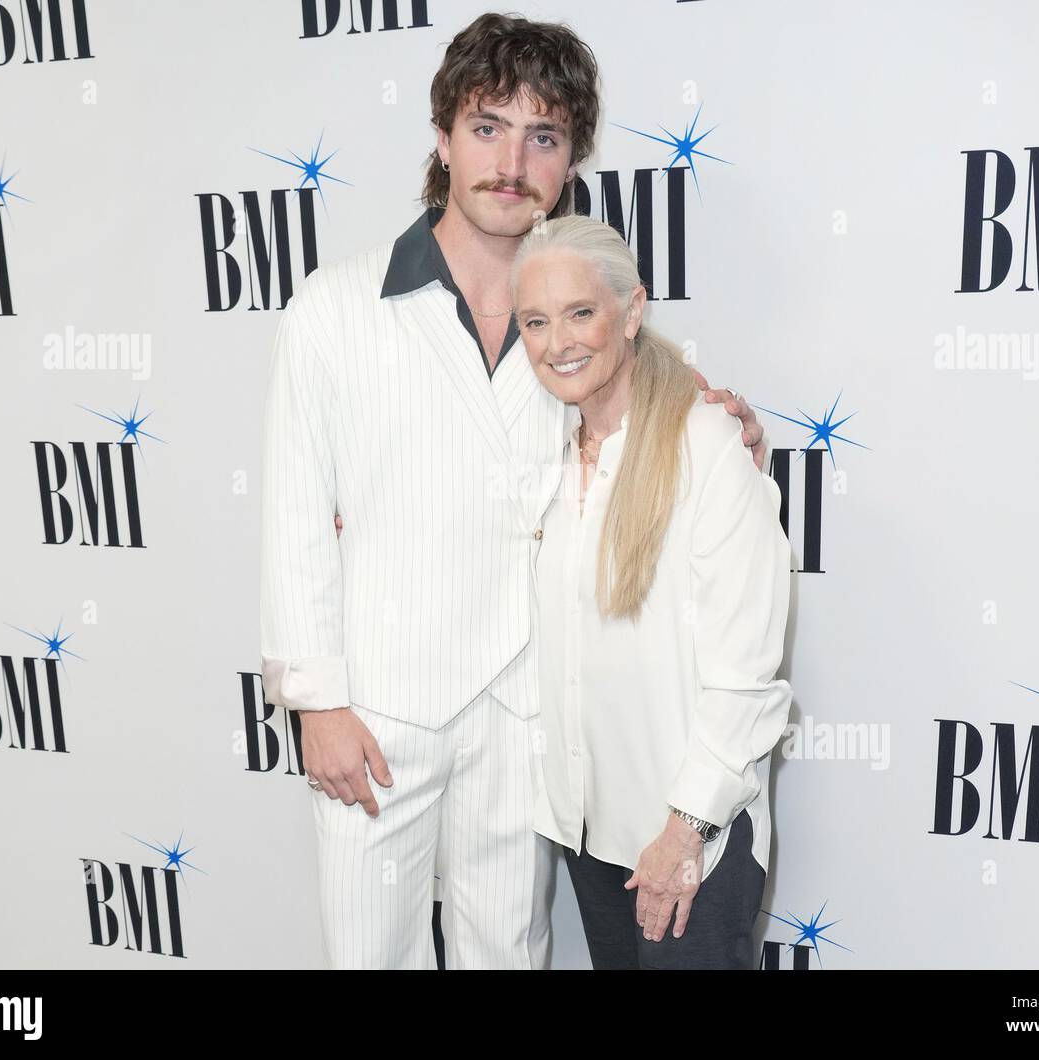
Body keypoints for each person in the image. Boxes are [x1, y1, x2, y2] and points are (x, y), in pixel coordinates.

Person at [258, 13, 767, 970]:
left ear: (570, 159)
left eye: (544, 136)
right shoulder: (334, 308)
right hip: (377, 710)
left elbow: (668, 428)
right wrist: (314, 701)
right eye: (488, 126)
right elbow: (294, 515)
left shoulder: (585, 329)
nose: (511, 161)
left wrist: (732, 429)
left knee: (510, 956)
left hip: (522, 711)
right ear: (443, 134)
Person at [510, 214, 793, 969]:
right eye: (535, 321)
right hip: (592, 834)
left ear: (631, 312)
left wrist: (684, 833)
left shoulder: (706, 447)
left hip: (690, 838)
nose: (558, 342)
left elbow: (746, 676)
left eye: (580, 313)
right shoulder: (542, 458)